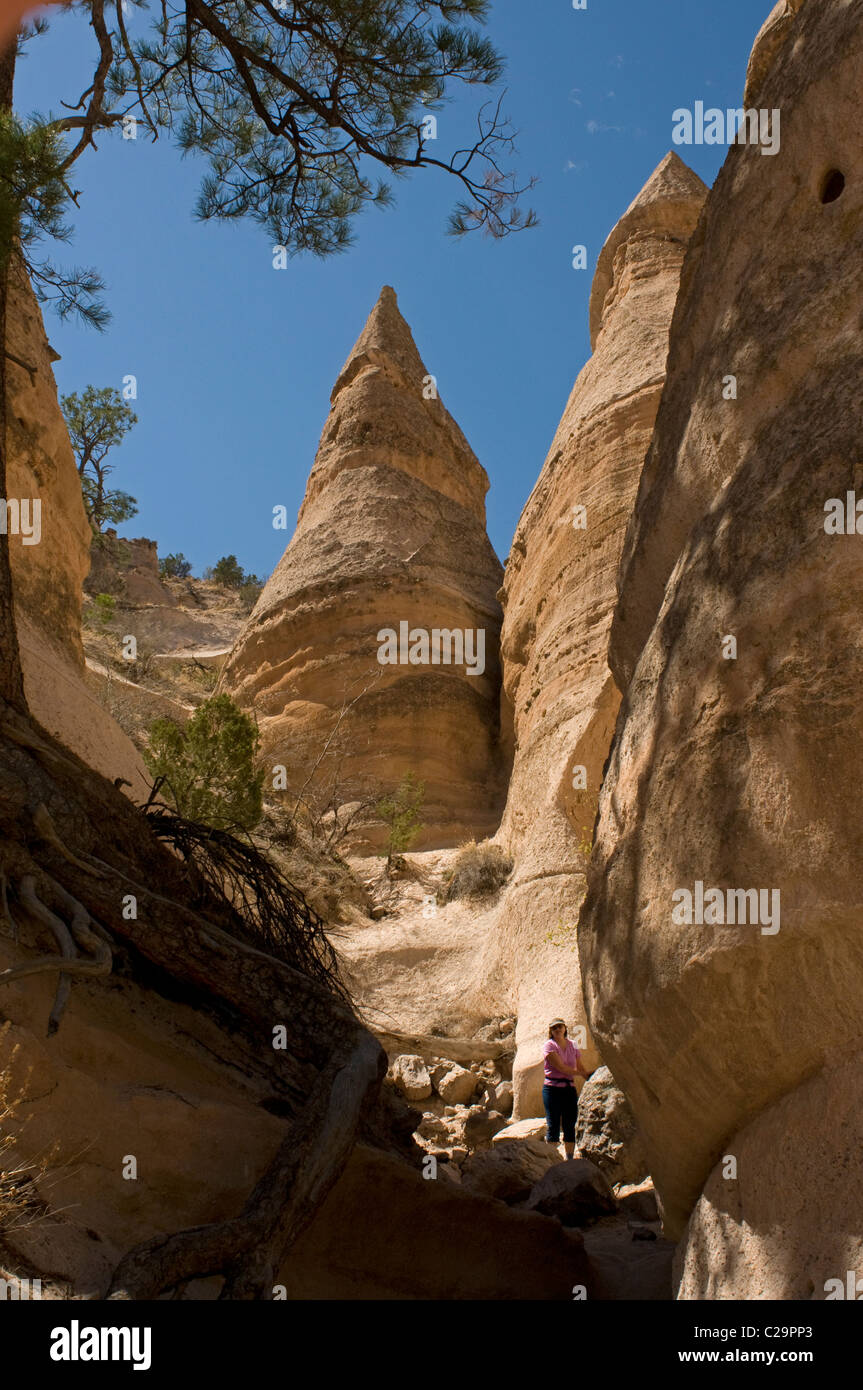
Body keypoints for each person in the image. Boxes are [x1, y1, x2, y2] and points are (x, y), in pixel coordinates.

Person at [542, 1018, 591, 1159]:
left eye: (559, 1026)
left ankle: (569, 1159)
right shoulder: (549, 1046)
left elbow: (579, 1066)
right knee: (553, 1125)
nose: (557, 1029)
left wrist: (589, 1077)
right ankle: (550, 1160)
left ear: (565, 1028)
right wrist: (583, 1073)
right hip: (552, 1090)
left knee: (570, 1125)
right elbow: (561, 1068)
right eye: (554, 1028)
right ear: (550, 1031)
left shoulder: (573, 1045)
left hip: (569, 1089)